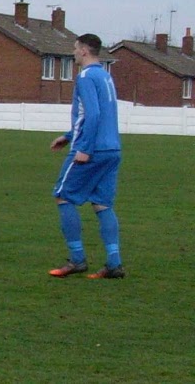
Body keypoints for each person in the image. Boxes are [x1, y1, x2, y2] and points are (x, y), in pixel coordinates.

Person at [47, 34, 125, 279]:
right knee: (102, 203)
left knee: (63, 196)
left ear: (83, 51)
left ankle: (77, 259)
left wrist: (84, 148)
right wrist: (69, 135)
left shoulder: (85, 77)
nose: (73, 53)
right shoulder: (105, 76)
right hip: (112, 149)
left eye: (74, 48)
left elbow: (92, 114)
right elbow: (101, 113)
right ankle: (114, 263)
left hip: (92, 150)